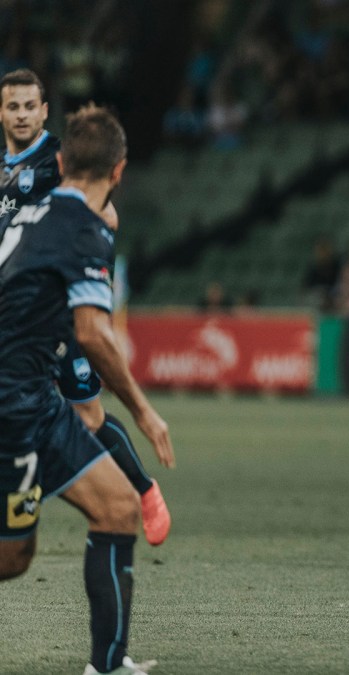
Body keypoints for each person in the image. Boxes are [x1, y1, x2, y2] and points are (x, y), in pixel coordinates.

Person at [0, 104, 175, 675]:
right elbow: (93, 333)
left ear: (59, 160)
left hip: (35, 394)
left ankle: (106, 667)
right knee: (13, 557)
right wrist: (147, 414)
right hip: (11, 404)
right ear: (120, 171)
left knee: (119, 507)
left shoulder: (35, 210)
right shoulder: (86, 228)